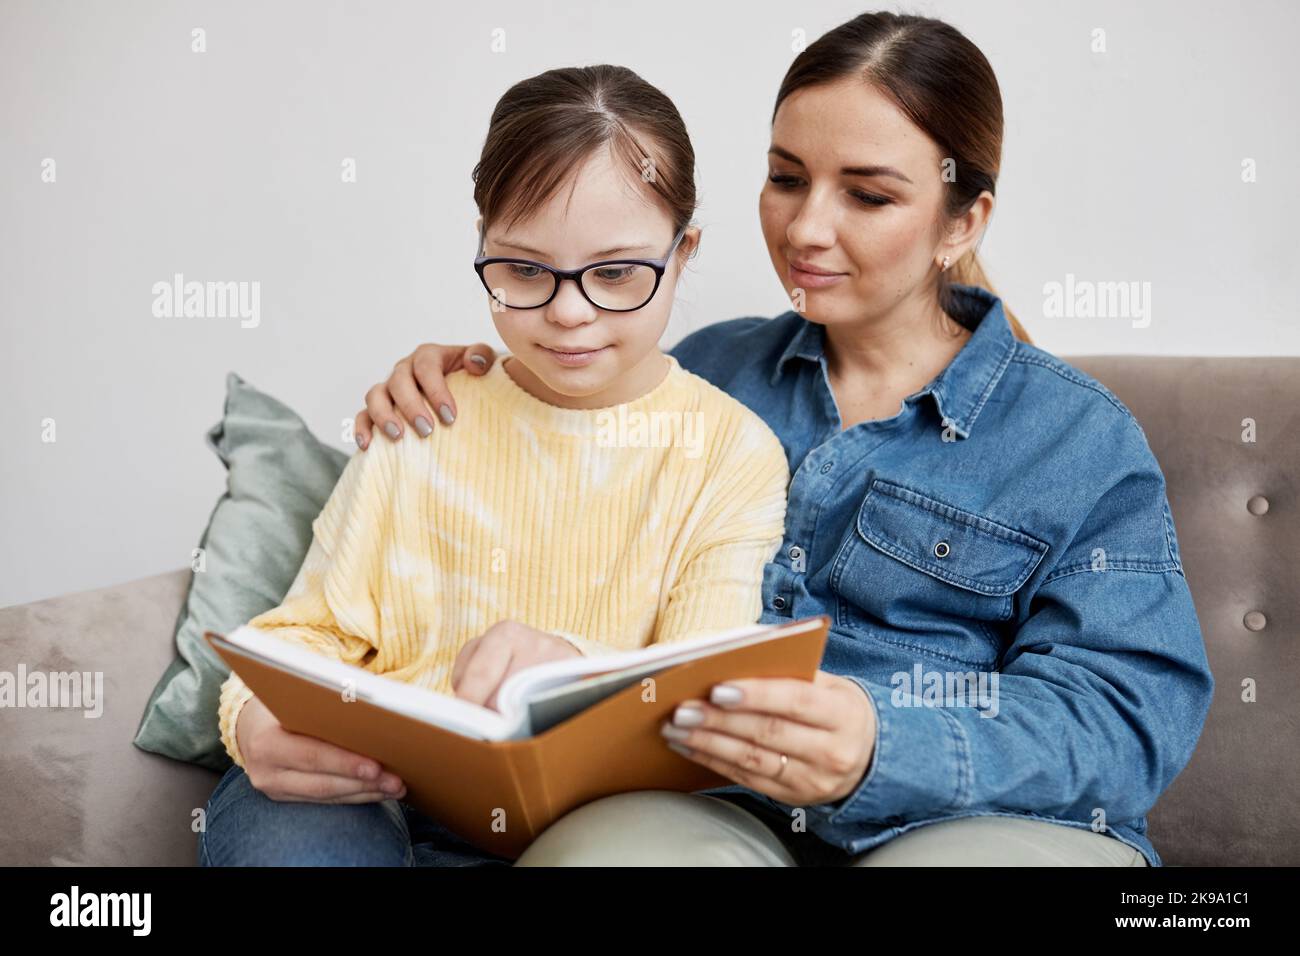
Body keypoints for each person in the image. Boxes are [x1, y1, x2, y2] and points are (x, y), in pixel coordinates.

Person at [354, 12, 1214, 867]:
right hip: (715, 809)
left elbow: (1128, 719)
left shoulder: (1077, 438)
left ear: (963, 221)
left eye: (868, 195)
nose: (805, 229)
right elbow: (549, 501)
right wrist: (465, 381)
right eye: (786, 177)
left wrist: (882, 746)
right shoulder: (702, 371)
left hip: (976, 820)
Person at [198, 63, 800, 866]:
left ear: (683, 253)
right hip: (367, 791)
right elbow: (307, 631)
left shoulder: (731, 453)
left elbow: (698, 690)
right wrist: (250, 720)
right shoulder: (429, 411)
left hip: (587, 823)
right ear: (482, 243)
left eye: (616, 273)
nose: (568, 312)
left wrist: (575, 671)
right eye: (523, 269)